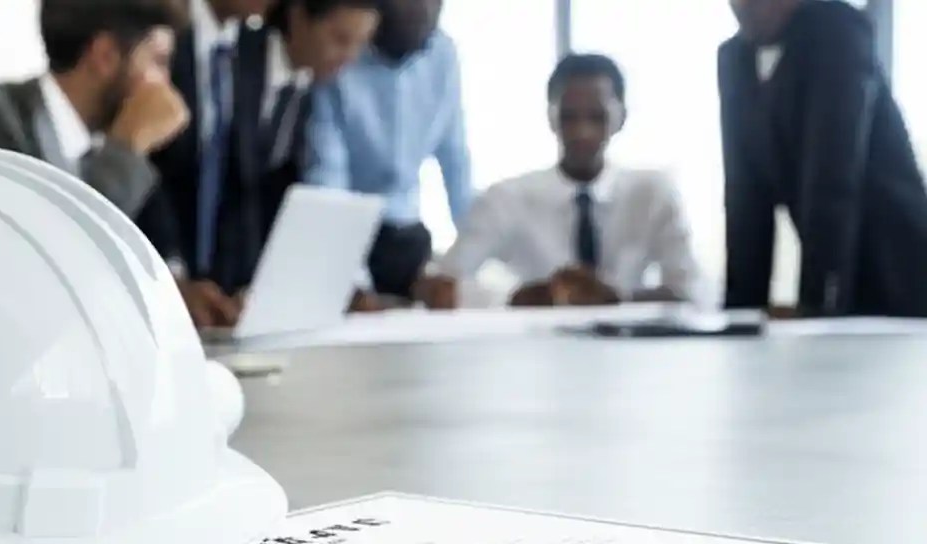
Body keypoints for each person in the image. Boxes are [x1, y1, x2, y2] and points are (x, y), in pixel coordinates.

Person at [138, 0, 381, 328]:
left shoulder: (297, 84)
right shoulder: (193, 44)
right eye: (339, 39)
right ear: (299, 19)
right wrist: (172, 276)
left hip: (214, 293)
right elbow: (157, 167)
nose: (348, 57)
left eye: (359, 46)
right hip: (158, 271)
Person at [416, 54, 705, 309]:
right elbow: (440, 285)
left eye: (597, 117)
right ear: (551, 118)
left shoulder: (652, 194)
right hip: (536, 355)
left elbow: (693, 291)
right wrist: (521, 298)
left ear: (622, 118)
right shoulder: (506, 199)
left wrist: (615, 299)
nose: (582, 132)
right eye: (569, 117)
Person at [721, 0, 927, 317]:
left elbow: (831, 180)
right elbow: (745, 197)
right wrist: (738, 317)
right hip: (837, 266)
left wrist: (817, 307)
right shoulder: (734, 58)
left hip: (899, 273)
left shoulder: (838, 30)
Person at [0, 0, 189, 219]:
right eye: (159, 61)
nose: (165, 83)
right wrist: (127, 148)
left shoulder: (99, 149)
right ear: (105, 55)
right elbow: (58, 255)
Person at [304, 0, 471, 300]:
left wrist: (467, 264)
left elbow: (455, 160)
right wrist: (349, 280)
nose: (422, 11)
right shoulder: (341, 51)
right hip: (346, 232)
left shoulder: (442, 53)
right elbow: (327, 179)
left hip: (407, 234)